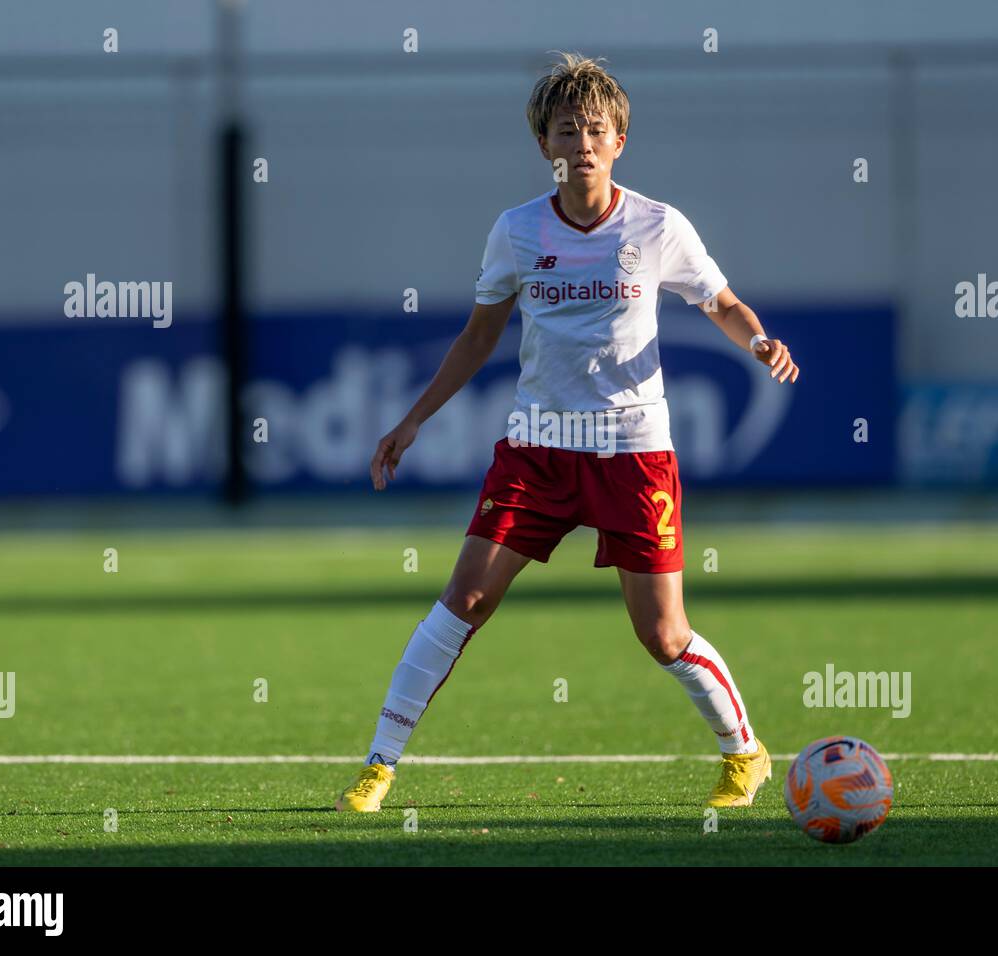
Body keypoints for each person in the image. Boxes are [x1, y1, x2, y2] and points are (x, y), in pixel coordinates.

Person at [338, 52, 799, 814]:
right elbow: (479, 336)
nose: (581, 141)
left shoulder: (657, 225)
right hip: (538, 449)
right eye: (566, 128)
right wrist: (412, 419)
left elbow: (719, 301)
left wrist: (756, 340)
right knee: (465, 599)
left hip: (634, 452)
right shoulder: (516, 231)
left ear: (619, 140)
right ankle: (379, 765)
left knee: (663, 635)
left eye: (596, 128)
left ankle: (743, 752)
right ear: (544, 145)